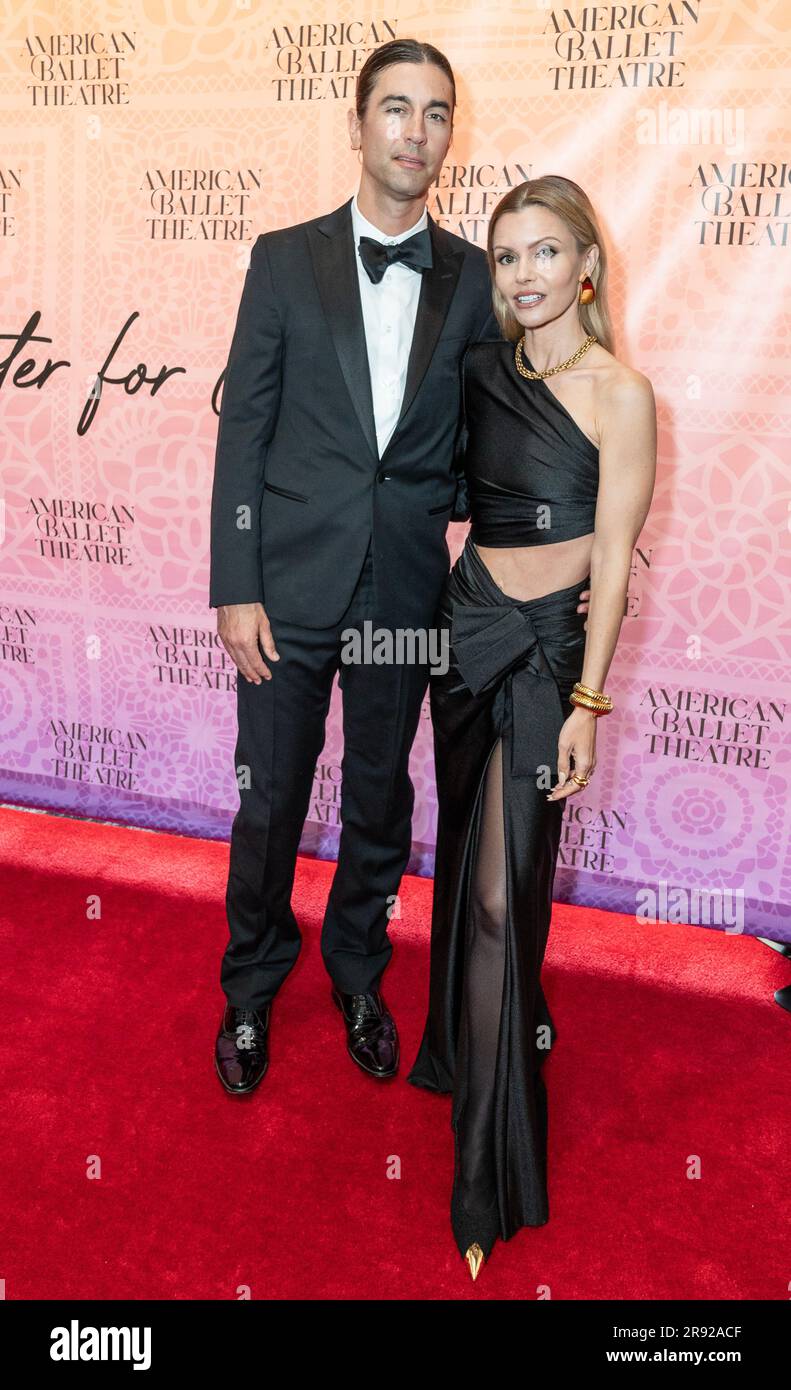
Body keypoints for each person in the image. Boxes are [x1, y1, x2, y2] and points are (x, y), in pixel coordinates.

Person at [209, 40, 594, 1093]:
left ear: (447, 135)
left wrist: (578, 521)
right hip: (285, 584)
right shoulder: (283, 258)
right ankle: (249, 991)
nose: (414, 132)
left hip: (407, 585)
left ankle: (357, 974)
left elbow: (504, 420)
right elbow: (244, 426)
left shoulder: (476, 276)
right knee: (271, 795)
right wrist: (232, 582)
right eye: (395, 109)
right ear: (357, 122)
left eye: (434, 113)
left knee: (380, 796)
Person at [407, 175, 657, 1280]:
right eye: (505, 257)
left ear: (585, 266)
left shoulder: (621, 395)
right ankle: (464, 1043)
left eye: (543, 253)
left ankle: (484, 1173)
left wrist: (588, 705)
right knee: (463, 849)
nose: (522, 274)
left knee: (507, 894)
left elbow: (610, 562)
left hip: (548, 654)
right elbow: (427, 487)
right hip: (462, 637)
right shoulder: (477, 373)